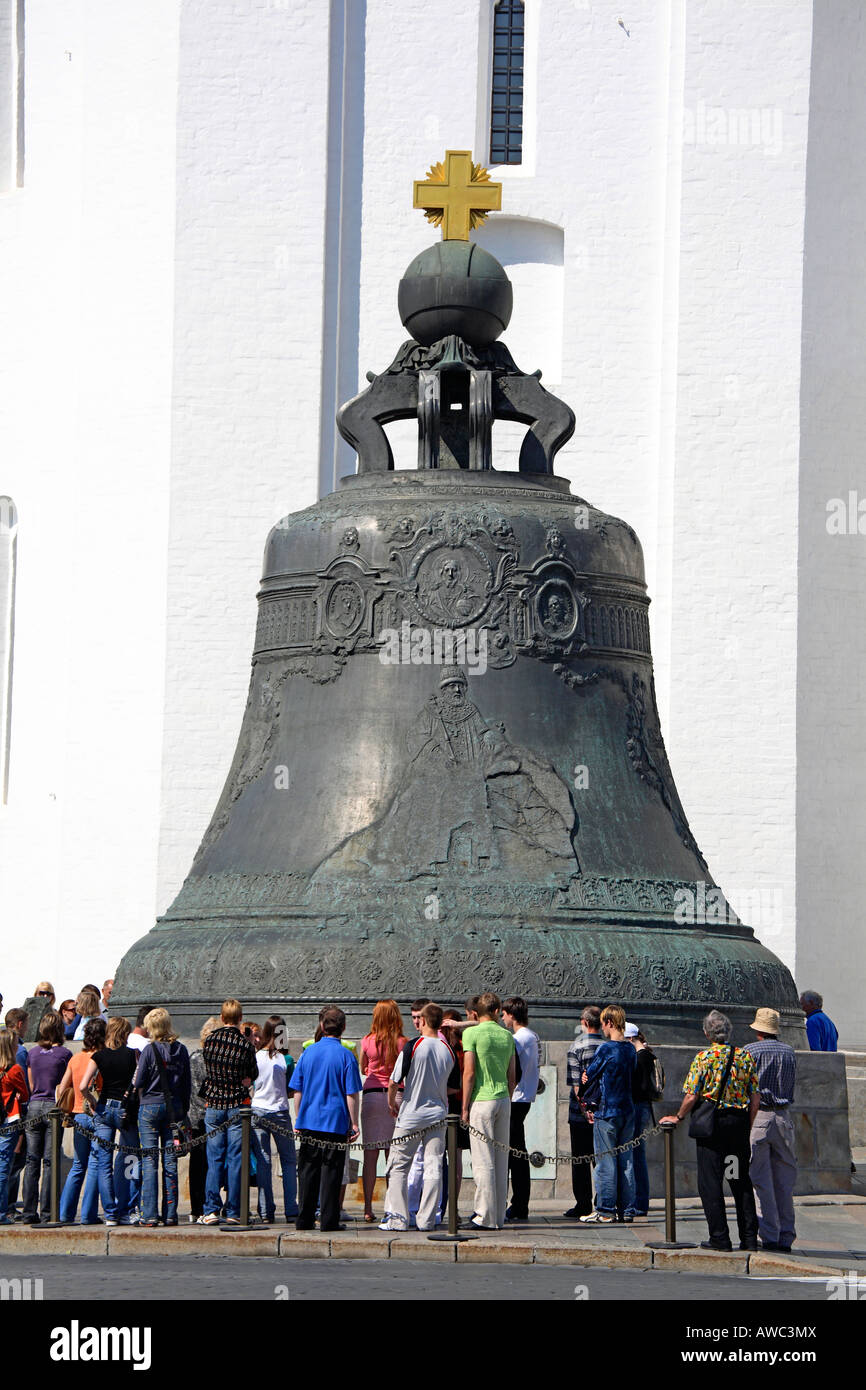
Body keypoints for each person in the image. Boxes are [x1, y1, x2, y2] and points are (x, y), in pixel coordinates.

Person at [661, 1008, 760, 1251]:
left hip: (712, 1128)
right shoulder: (744, 1057)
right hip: (736, 1125)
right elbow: (755, 1097)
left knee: (711, 1181)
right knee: (738, 1179)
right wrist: (747, 1123)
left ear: (707, 1033)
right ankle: (748, 1239)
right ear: (728, 1031)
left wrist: (679, 1116)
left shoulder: (704, 1058)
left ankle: (720, 1237)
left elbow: (692, 1095)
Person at [380, 1003, 458, 1232]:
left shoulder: (414, 1045)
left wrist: (391, 1103)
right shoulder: (449, 1048)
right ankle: (427, 1220)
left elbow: (394, 1080)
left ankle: (398, 1218)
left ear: (423, 1021)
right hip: (438, 1113)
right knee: (433, 1166)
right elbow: (453, 1086)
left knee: (398, 1166)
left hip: (412, 1113)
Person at [291, 1006, 361, 1232]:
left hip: (309, 1119)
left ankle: (304, 1218)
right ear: (343, 1027)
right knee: (331, 1173)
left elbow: (297, 1090)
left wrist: (299, 1117)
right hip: (335, 1121)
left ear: (322, 1026)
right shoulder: (346, 1056)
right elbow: (351, 1094)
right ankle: (329, 1219)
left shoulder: (308, 1053)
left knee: (308, 1172)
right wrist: (354, 1122)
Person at [743, 1007, 797, 1252]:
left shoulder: (750, 1051)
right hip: (784, 1117)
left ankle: (770, 1235)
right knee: (785, 1181)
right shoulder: (789, 1052)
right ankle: (787, 1235)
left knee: (761, 1179)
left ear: (758, 1031)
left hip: (759, 1116)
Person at [200, 998, 257, 1226]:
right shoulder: (245, 1045)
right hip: (235, 1105)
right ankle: (233, 1209)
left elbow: (208, 1067)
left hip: (214, 1104)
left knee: (214, 1159)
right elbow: (251, 1073)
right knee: (235, 1159)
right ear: (240, 1018)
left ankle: (211, 1209)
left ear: (222, 1017)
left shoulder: (210, 1041)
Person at [133, 1007, 191, 1228]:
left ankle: (149, 1214)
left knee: (149, 1161)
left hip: (149, 1106)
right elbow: (187, 1084)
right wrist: (182, 1109)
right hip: (173, 1107)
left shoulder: (149, 1050)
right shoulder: (181, 1049)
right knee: (170, 1161)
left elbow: (139, 1082)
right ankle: (169, 1214)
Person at [462, 991, 516, 1231]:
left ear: (476, 1013)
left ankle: (484, 1216)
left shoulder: (471, 1033)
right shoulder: (507, 1035)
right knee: (501, 1159)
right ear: (497, 1011)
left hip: (482, 1100)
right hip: (504, 1098)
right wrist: (508, 1096)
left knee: (483, 1161)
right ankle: (498, 1215)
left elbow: (469, 1073)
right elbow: (512, 1075)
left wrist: (464, 1107)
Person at [580, 1005, 636, 1225]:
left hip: (607, 1111)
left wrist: (585, 1076)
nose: (602, 1027)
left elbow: (590, 1073)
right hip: (627, 1110)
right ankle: (627, 1209)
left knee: (606, 1163)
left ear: (610, 1023)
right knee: (626, 1161)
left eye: (603, 1023)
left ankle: (604, 1210)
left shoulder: (606, 1049)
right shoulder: (630, 1049)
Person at [81, 1015, 138, 1227]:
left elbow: (82, 1086)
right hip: (125, 1109)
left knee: (104, 1162)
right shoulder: (133, 1055)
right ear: (125, 1034)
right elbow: (139, 1083)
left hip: (104, 1107)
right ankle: (128, 1208)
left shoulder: (99, 1056)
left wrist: (93, 1102)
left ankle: (110, 1213)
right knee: (130, 1157)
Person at [21, 1009, 72, 1224]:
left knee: (32, 1160)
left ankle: (28, 1211)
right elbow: (65, 1085)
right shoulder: (64, 1055)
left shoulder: (32, 1053)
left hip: (34, 1105)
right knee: (49, 1161)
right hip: (53, 1106)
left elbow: (31, 1085)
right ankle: (48, 1211)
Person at [359, 999, 406, 1222]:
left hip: (371, 1097)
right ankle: (391, 1206)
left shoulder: (367, 1041)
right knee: (392, 1155)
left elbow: (363, 1067)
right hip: (394, 1096)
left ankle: (368, 1207)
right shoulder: (402, 1042)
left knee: (370, 1155)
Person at [56, 1018, 106, 1225]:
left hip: (77, 1115)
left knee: (78, 1165)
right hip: (95, 1113)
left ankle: (65, 1213)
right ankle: (88, 1214)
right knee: (95, 1165)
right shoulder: (100, 1058)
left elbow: (61, 1086)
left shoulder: (75, 1058)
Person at [252, 1015, 298, 1223]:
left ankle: (265, 1211)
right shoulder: (285, 1059)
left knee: (263, 1161)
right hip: (279, 1111)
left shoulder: (254, 1057)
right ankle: (291, 1208)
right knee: (288, 1161)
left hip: (258, 1110)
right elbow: (291, 1089)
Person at [502, 995, 541, 1222]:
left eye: (505, 1015)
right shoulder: (533, 1036)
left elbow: (513, 1070)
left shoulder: (518, 1039)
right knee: (517, 1151)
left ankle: (518, 1205)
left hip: (516, 1098)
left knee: (515, 1153)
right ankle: (518, 1203)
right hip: (525, 1097)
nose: (503, 1019)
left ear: (512, 1015)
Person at [564, 1006, 603, 1218]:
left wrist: (585, 1108)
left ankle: (583, 1203)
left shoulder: (576, 1046)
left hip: (580, 1114)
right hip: (603, 1112)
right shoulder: (608, 1047)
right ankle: (602, 1202)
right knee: (601, 1159)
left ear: (584, 1022)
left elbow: (577, 1085)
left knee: (580, 1160)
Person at [187, 1016, 219, 1223]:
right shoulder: (214, 1060)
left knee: (197, 1164)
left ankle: (196, 1208)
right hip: (212, 1116)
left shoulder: (193, 1058)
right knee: (212, 1163)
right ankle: (209, 1206)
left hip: (195, 1117)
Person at [628, 1025, 659, 1218]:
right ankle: (640, 1201)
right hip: (644, 1107)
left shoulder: (640, 1058)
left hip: (637, 1107)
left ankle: (637, 1202)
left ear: (630, 1039)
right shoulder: (648, 1055)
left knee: (635, 1156)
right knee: (637, 1155)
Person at [0, 1027, 29, 1224]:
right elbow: (24, 1094)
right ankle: (1, 1212)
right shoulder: (15, 1070)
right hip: (8, 1119)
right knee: (3, 1166)